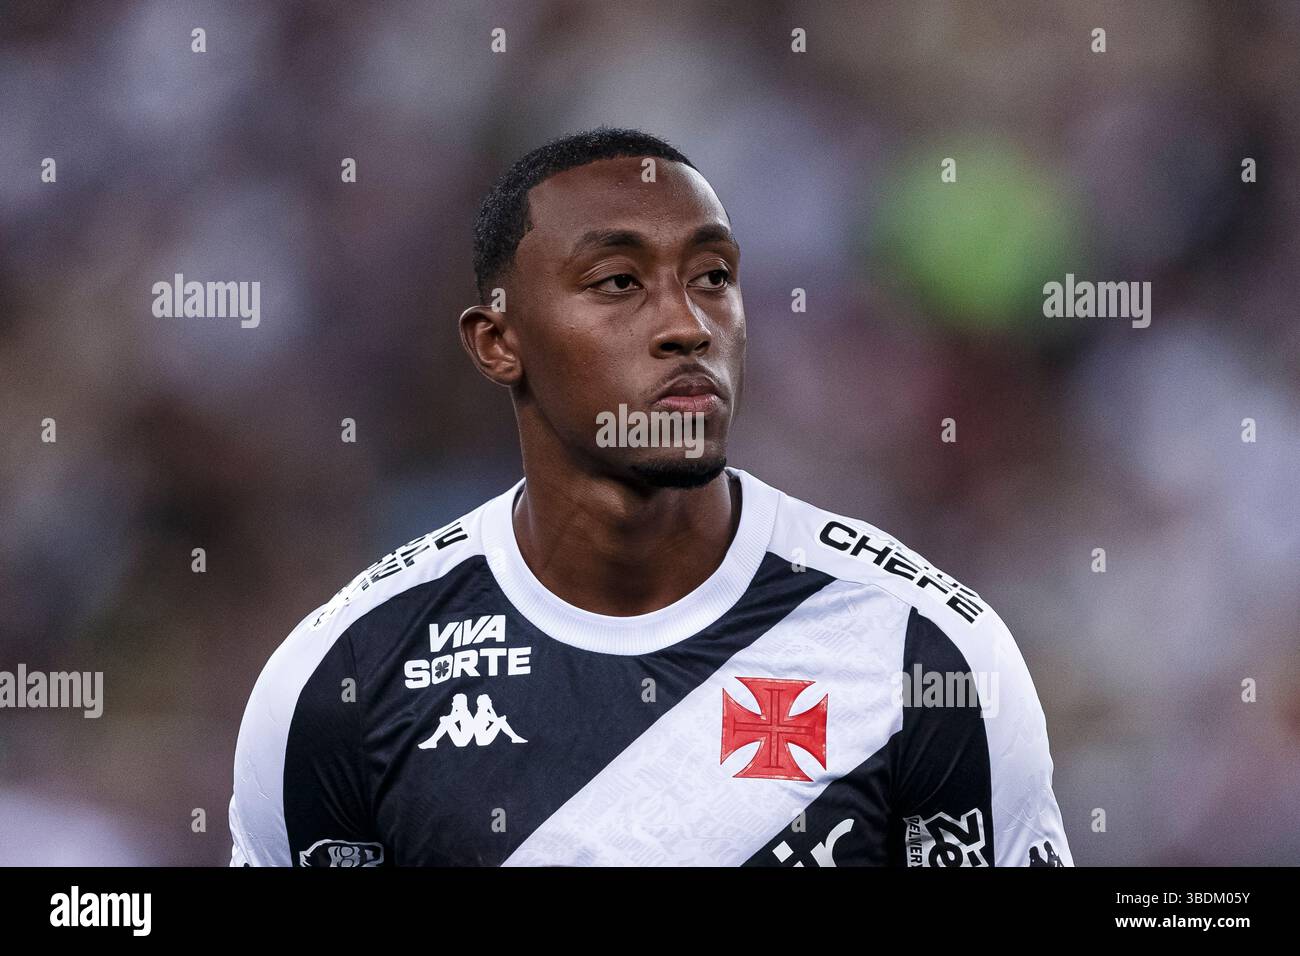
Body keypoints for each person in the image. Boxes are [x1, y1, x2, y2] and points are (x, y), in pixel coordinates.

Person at [229, 126, 1073, 867]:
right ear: (498, 344)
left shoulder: (920, 650)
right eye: (618, 283)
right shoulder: (342, 684)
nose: (688, 324)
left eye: (712, 276)